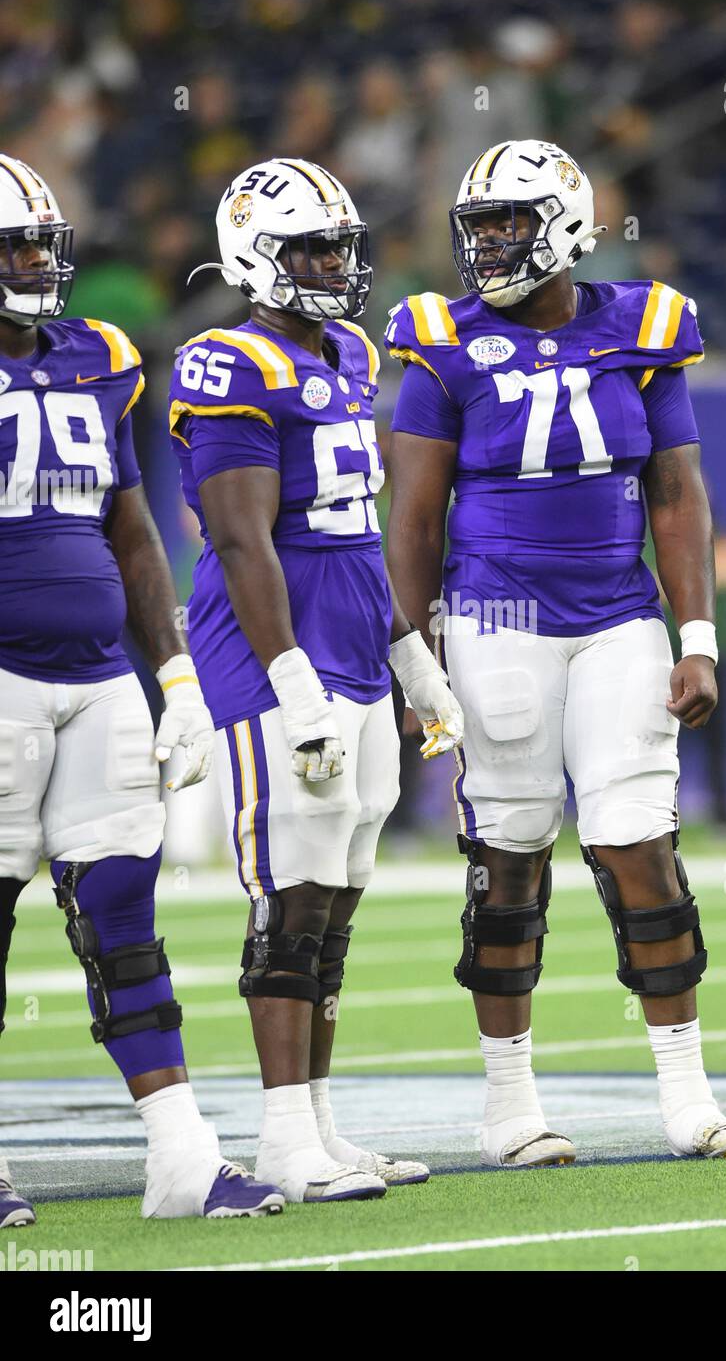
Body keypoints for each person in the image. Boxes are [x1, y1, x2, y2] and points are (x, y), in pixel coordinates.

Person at [385, 139, 726, 1167]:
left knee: (642, 842)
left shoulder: (643, 324)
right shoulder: (438, 339)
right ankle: (510, 1104)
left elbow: (677, 494)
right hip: (495, 617)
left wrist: (698, 635)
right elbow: (412, 520)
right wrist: (414, 659)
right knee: (507, 859)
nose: (492, 242)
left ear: (566, 222)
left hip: (617, 616)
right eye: (481, 225)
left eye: (511, 220)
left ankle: (687, 1094)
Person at [168, 158, 464, 1204]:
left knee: (337, 897)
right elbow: (245, 541)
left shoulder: (347, 348)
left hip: (353, 645)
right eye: (311, 249)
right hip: (272, 659)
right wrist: (289, 680)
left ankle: (321, 1129)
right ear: (258, 254)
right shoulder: (225, 361)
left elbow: (352, 532)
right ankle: (284, 1137)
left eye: (340, 245)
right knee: (290, 895)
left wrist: (407, 652)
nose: (336, 265)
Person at [0, 155, 282, 1227]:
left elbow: (129, 522)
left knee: (124, 916)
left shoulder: (98, 355)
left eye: (42, 243)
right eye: (14, 247)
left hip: (102, 680)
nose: (36, 263)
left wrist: (172, 668)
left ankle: (182, 1159)